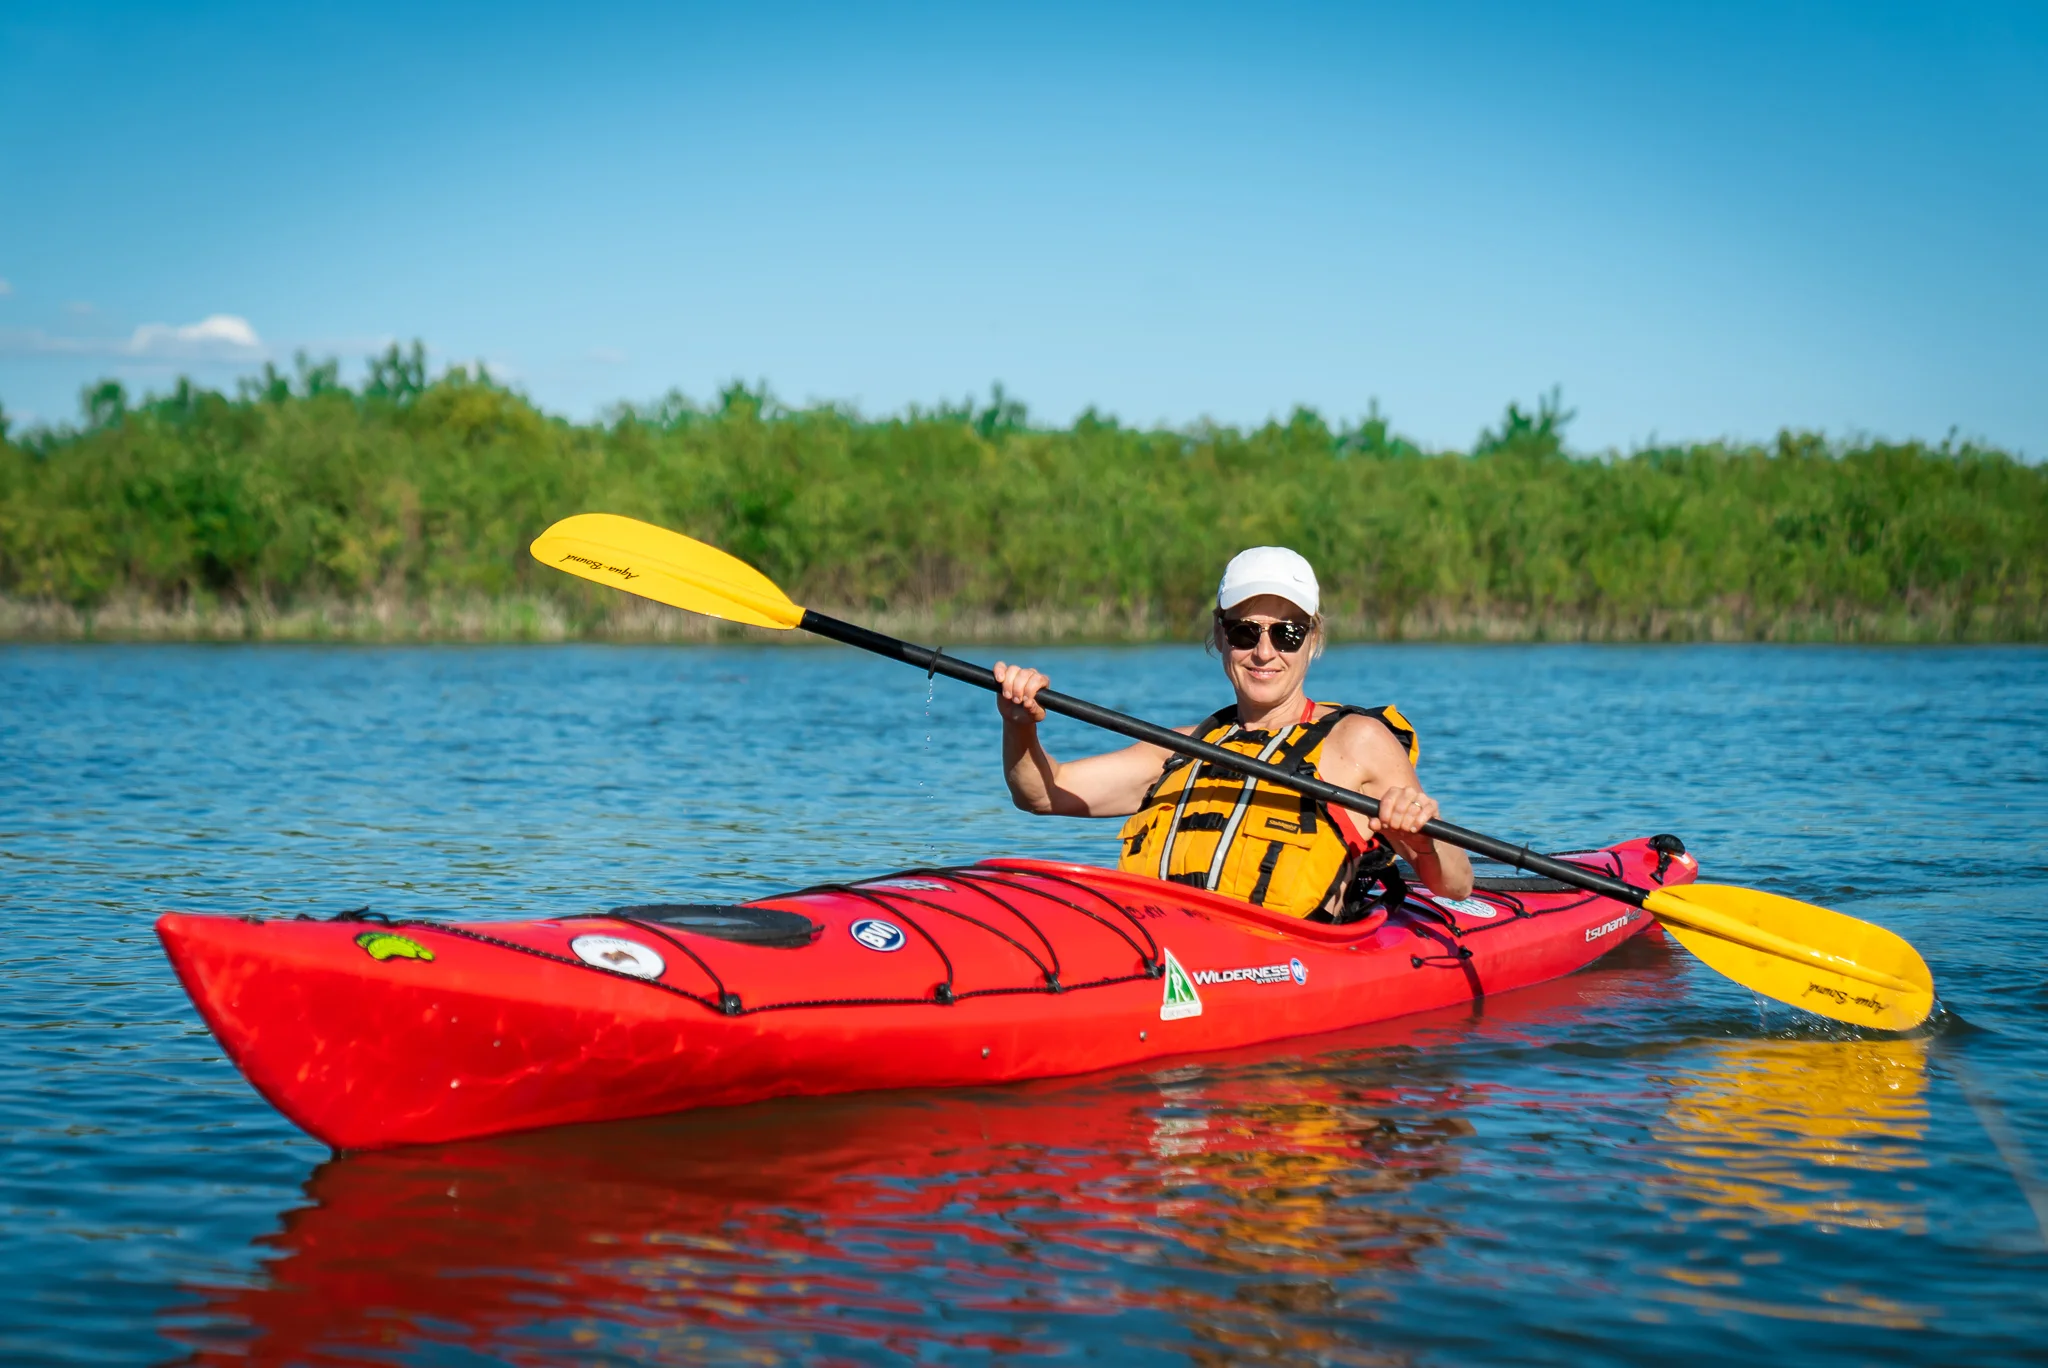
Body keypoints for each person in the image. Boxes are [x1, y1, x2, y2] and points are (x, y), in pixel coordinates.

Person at [993, 546, 1473, 920]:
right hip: (1163, 949)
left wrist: (1421, 835)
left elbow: (1456, 884)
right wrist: (1019, 727)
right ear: (1220, 636)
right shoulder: (1178, 749)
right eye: (1246, 632)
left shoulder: (1358, 741)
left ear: (1314, 639)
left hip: (1284, 966)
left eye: (1287, 633)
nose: (1264, 652)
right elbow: (1040, 793)